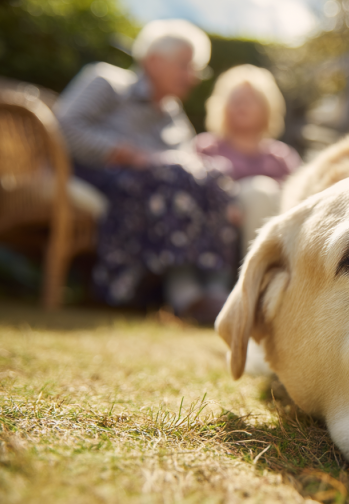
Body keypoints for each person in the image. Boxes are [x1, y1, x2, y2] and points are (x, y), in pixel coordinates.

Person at [55, 20, 237, 323]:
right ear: (154, 61)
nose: (192, 77)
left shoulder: (173, 114)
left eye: (195, 69)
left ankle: (216, 292)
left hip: (156, 187)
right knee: (175, 175)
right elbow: (64, 126)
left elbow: (190, 164)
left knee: (212, 176)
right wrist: (123, 153)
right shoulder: (107, 82)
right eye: (185, 66)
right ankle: (186, 296)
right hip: (98, 176)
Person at [195, 65, 301, 254]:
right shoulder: (206, 148)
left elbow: (301, 199)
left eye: (250, 100)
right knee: (258, 192)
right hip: (218, 237)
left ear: (266, 108)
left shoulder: (281, 156)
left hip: (277, 234)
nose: (242, 106)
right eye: (236, 100)